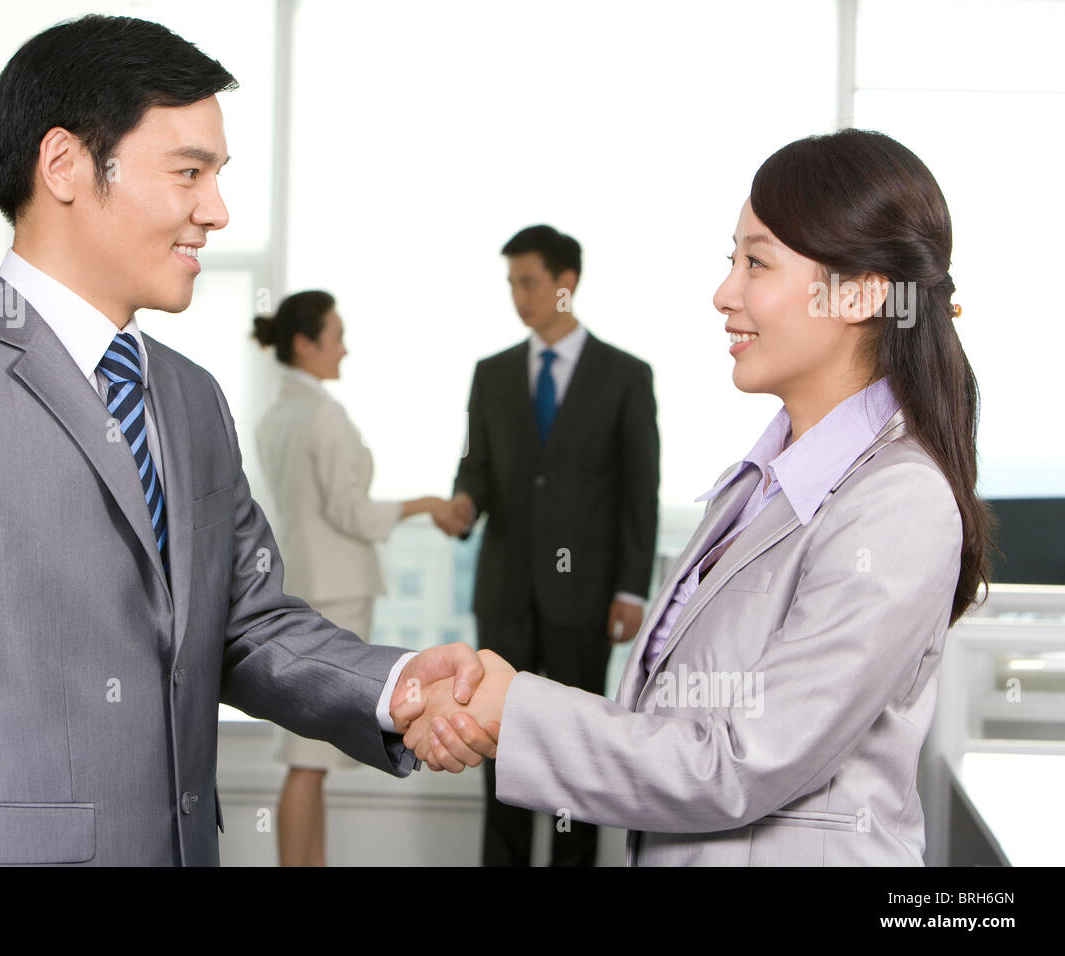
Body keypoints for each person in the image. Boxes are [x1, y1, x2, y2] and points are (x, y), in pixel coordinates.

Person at [0, 14, 483, 867]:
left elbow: (247, 624)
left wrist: (401, 687)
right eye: (189, 173)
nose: (218, 211)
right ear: (65, 166)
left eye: (220, 176)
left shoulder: (192, 398)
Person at [405, 128, 994, 867]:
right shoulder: (758, 482)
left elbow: (741, 761)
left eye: (757, 262)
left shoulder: (899, 503)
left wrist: (516, 708)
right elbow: (668, 724)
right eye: (731, 261)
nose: (725, 294)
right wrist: (507, 699)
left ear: (864, 293)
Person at [445, 225, 660, 866]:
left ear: (567, 284)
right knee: (496, 749)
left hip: (585, 601)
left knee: (574, 758)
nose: (519, 296)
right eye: (512, 283)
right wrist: (463, 502)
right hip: (505, 596)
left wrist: (630, 588)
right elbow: (474, 468)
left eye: (530, 282)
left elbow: (637, 491)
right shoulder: (492, 374)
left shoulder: (625, 376)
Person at [251, 290, 466, 866]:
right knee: (308, 761)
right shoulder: (322, 414)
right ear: (305, 343)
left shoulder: (278, 415)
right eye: (336, 335)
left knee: (308, 762)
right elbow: (351, 511)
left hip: (301, 583)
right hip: (335, 593)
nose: (344, 348)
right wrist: (424, 504)